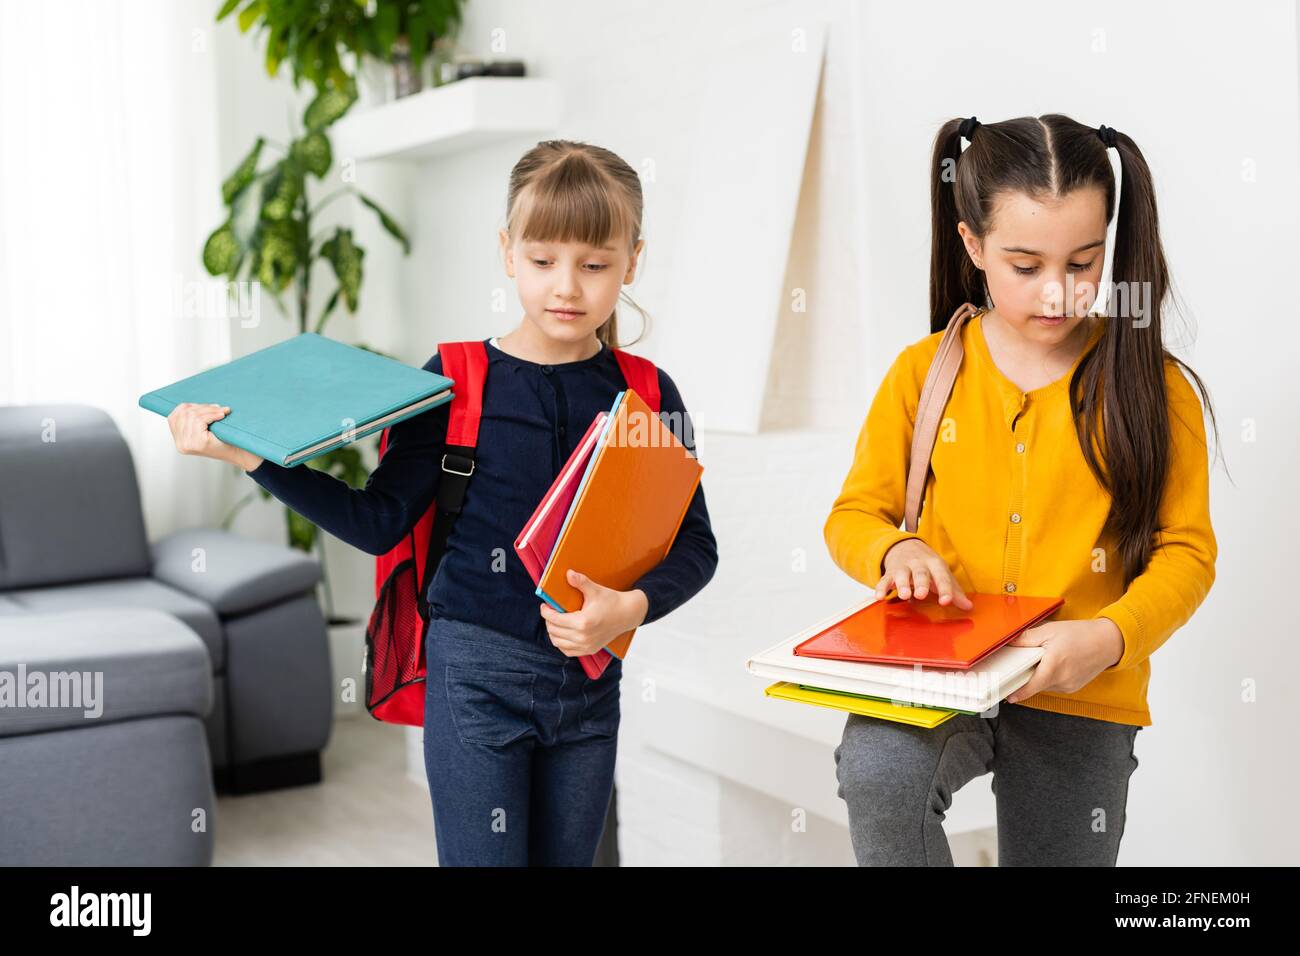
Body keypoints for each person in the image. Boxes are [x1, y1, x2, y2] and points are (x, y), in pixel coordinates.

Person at [168, 139, 719, 866]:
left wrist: (630, 609)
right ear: (507, 252)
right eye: (543, 260)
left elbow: (696, 547)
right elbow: (377, 521)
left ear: (632, 262)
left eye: (595, 265)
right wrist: (249, 456)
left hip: (589, 689)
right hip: (474, 682)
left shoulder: (650, 391)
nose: (567, 287)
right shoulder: (455, 380)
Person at [823, 115, 1219, 866]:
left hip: (1086, 689)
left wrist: (1109, 637)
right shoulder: (922, 372)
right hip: (939, 670)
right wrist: (894, 547)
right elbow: (854, 514)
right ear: (972, 245)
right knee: (877, 774)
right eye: (1025, 265)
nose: (1058, 293)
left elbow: (1187, 553)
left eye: (1083, 262)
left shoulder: (1154, 389)